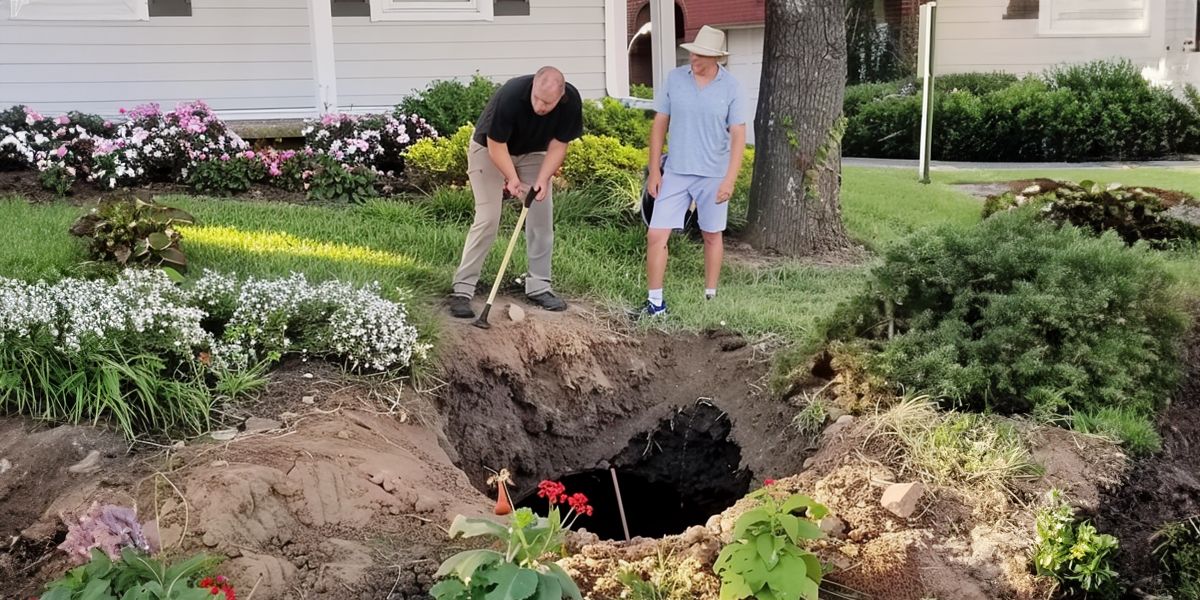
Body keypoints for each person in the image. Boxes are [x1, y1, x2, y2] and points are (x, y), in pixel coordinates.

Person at [448, 66, 583, 318]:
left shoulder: (571, 102)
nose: (541, 107)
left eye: (548, 103)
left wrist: (543, 178)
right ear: (532, 87)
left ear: (561, 96)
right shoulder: (511, 95)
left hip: (533, 152)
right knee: (488, 217)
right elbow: (495, 144)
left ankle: (539, 286)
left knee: (541, 216)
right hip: (489, 150)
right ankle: (462, 289)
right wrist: (511, 178)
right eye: (537, 99)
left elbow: (558, 145)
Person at [642, 25, 748, 317]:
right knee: (656, 234)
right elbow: (659, 124)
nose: (693, 59)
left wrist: (729, 179)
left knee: (712, 234)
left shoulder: (732, 87)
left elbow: (738, 135)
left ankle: (710, 297)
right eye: (693, 53)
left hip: (714, 174)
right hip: (675, 171)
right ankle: (655, 303)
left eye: (701, 55)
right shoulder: (675, 79)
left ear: (717, 59)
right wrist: (655, 171)